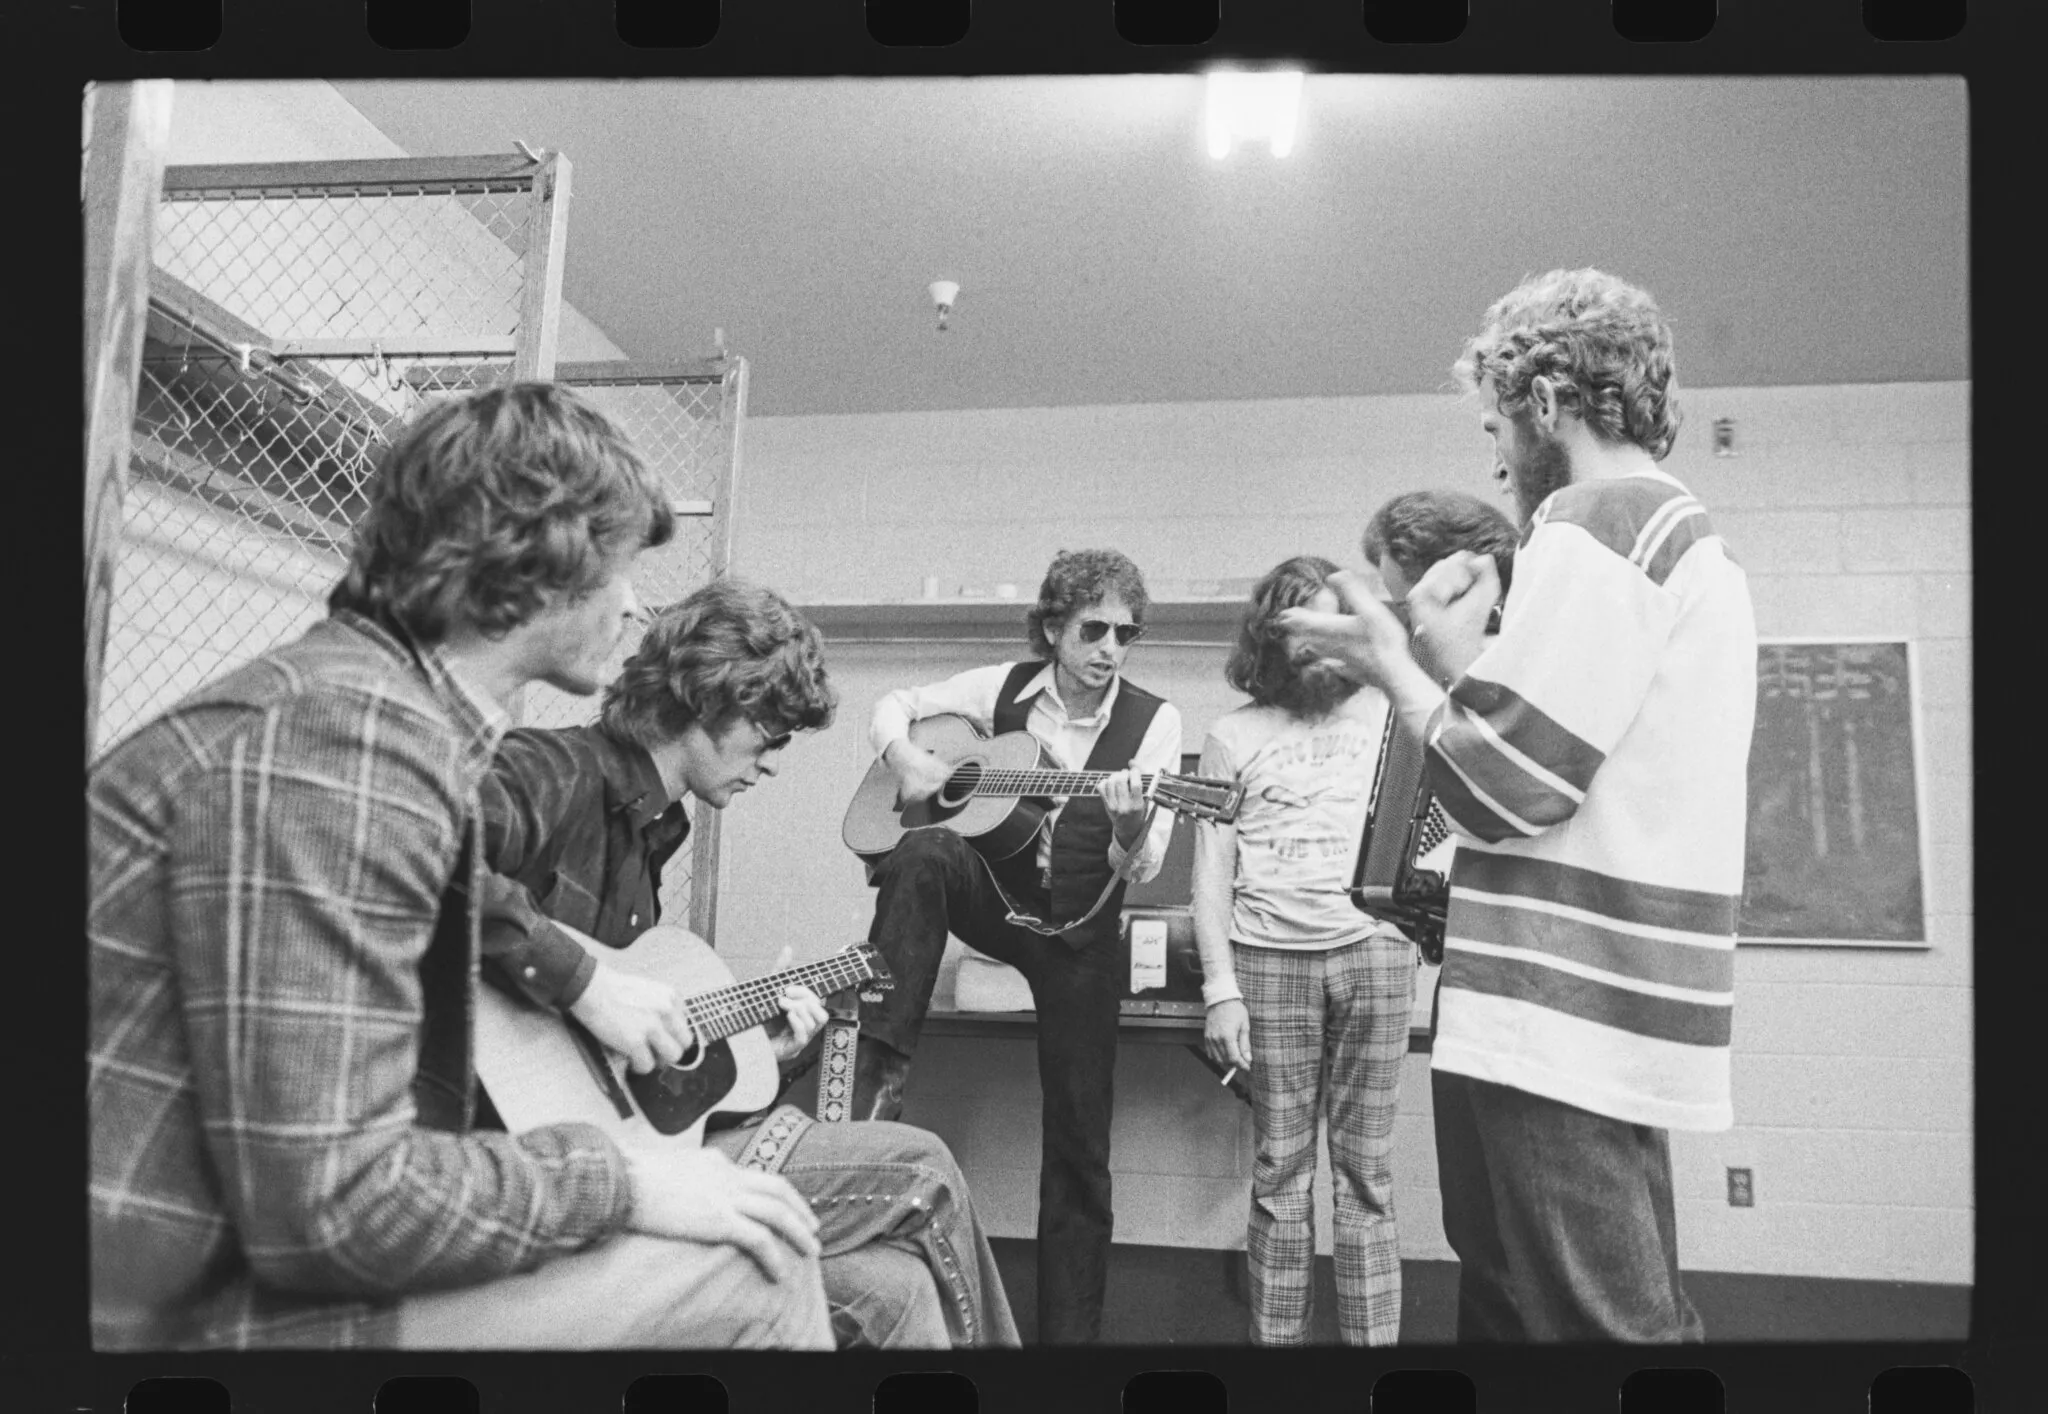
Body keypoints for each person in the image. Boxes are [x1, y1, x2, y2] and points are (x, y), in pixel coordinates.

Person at [88, 383, 832, 1350]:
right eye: (616, 567)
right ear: (536, 561)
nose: (635, 601)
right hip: (166, 1316)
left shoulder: (357, 713)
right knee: (759, 1270)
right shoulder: (347, 744)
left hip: (222, 1268)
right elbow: (333, 1207)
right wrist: (622, 1180)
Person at [1282, 269, 1758, 1343]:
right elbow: (1562, 759)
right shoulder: (1687, 542)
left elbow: (1500, 787)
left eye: (1498, 423)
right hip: (1613, 1006)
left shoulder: (1594, 521)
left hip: (1562, 1010)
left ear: (1545, 402)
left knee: (1606, 1337)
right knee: (1529, 1312)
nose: (1496, 457)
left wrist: (1396, 663)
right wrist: (1457, 669)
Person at [476, 577, 1019, 1349]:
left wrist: (767, 1057)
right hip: (533, 1168)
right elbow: (422, 858)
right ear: (705, 700)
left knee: (895, 1290)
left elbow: (632, 1079)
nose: (771, 763)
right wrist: (586, 983)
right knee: (922, 1165)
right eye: (769, 733)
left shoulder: (650, 840)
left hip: (640, 1152)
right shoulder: (549, 772)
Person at [851, 548, 1183, 1344]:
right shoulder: (998, 689)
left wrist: (1131, 819)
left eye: (1126, 634)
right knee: (923, 852)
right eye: (1094, 629)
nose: (1111, 649)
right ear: (1053, 630)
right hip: (998, 907)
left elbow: (1145, 862)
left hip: (1079, 933)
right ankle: (878, 1079)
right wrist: (910, 761)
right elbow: (893, 704)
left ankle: (1067, 1351)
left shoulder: (1154, 722)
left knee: (1079, 1140)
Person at [1192, 555, 1417, 1346]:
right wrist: (1220, 988)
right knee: (1281, 1177)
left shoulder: (1395, 715)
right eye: (1302, 631)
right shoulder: (1232, 736)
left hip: (1375, 956)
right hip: (1268, 963)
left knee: (1367, 1180)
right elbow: (1210, 873)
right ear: (1272, 642)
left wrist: (1413, 927)